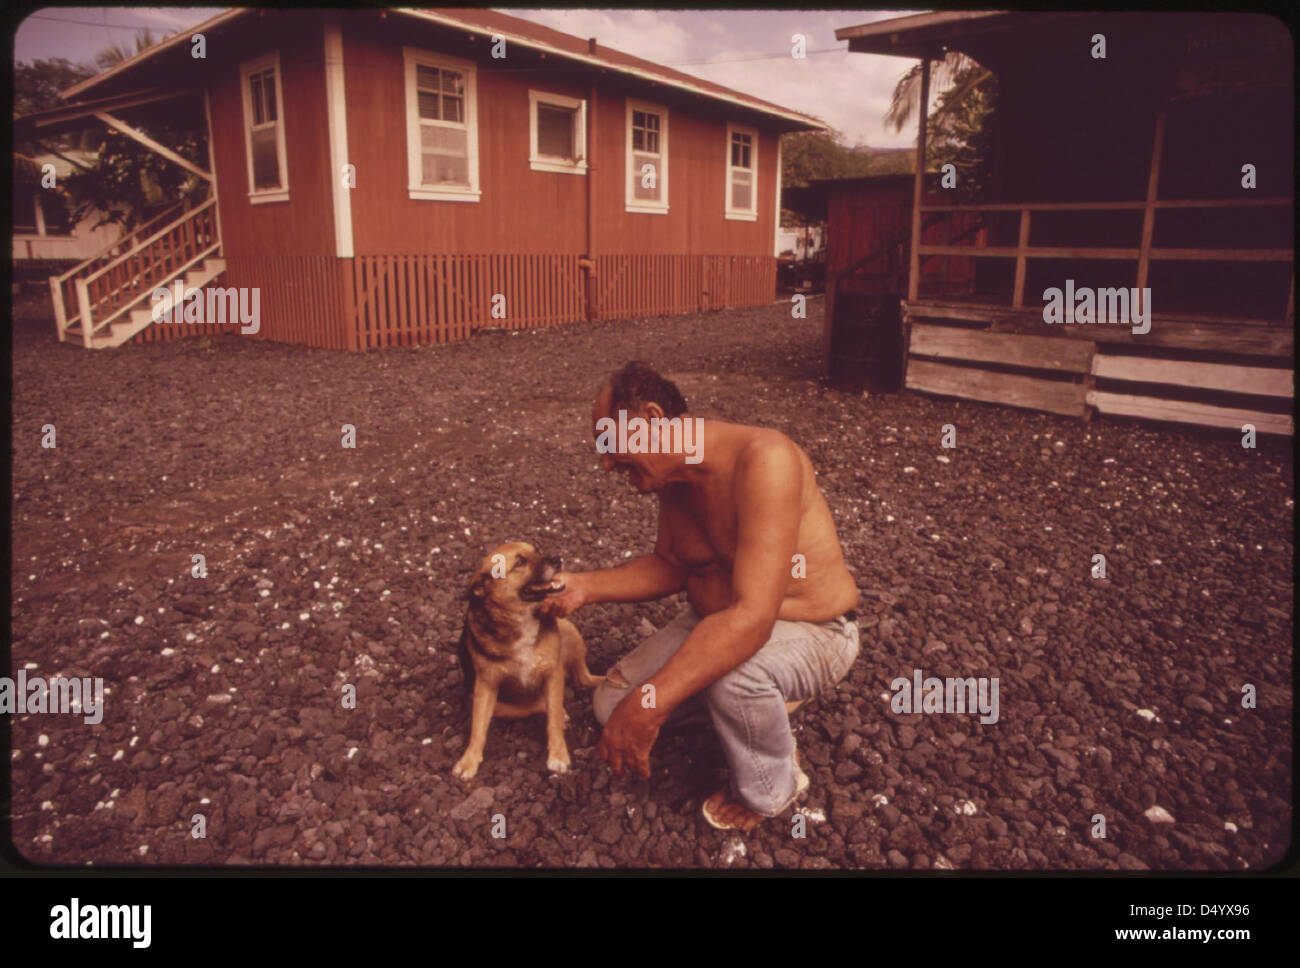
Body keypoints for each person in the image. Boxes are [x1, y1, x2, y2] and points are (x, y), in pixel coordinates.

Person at [540, 361, 860, 831]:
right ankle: (756, 711)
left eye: (608, 442)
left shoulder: (765, 460)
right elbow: (671, 563)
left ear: (651, 420)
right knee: (611, 704)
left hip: (814, 629)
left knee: (733, 680)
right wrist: (585, 586)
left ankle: (775, 787)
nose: (605, 462)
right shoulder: (675, 477)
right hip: (723, 619)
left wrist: (653, 703)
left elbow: (753, 617)